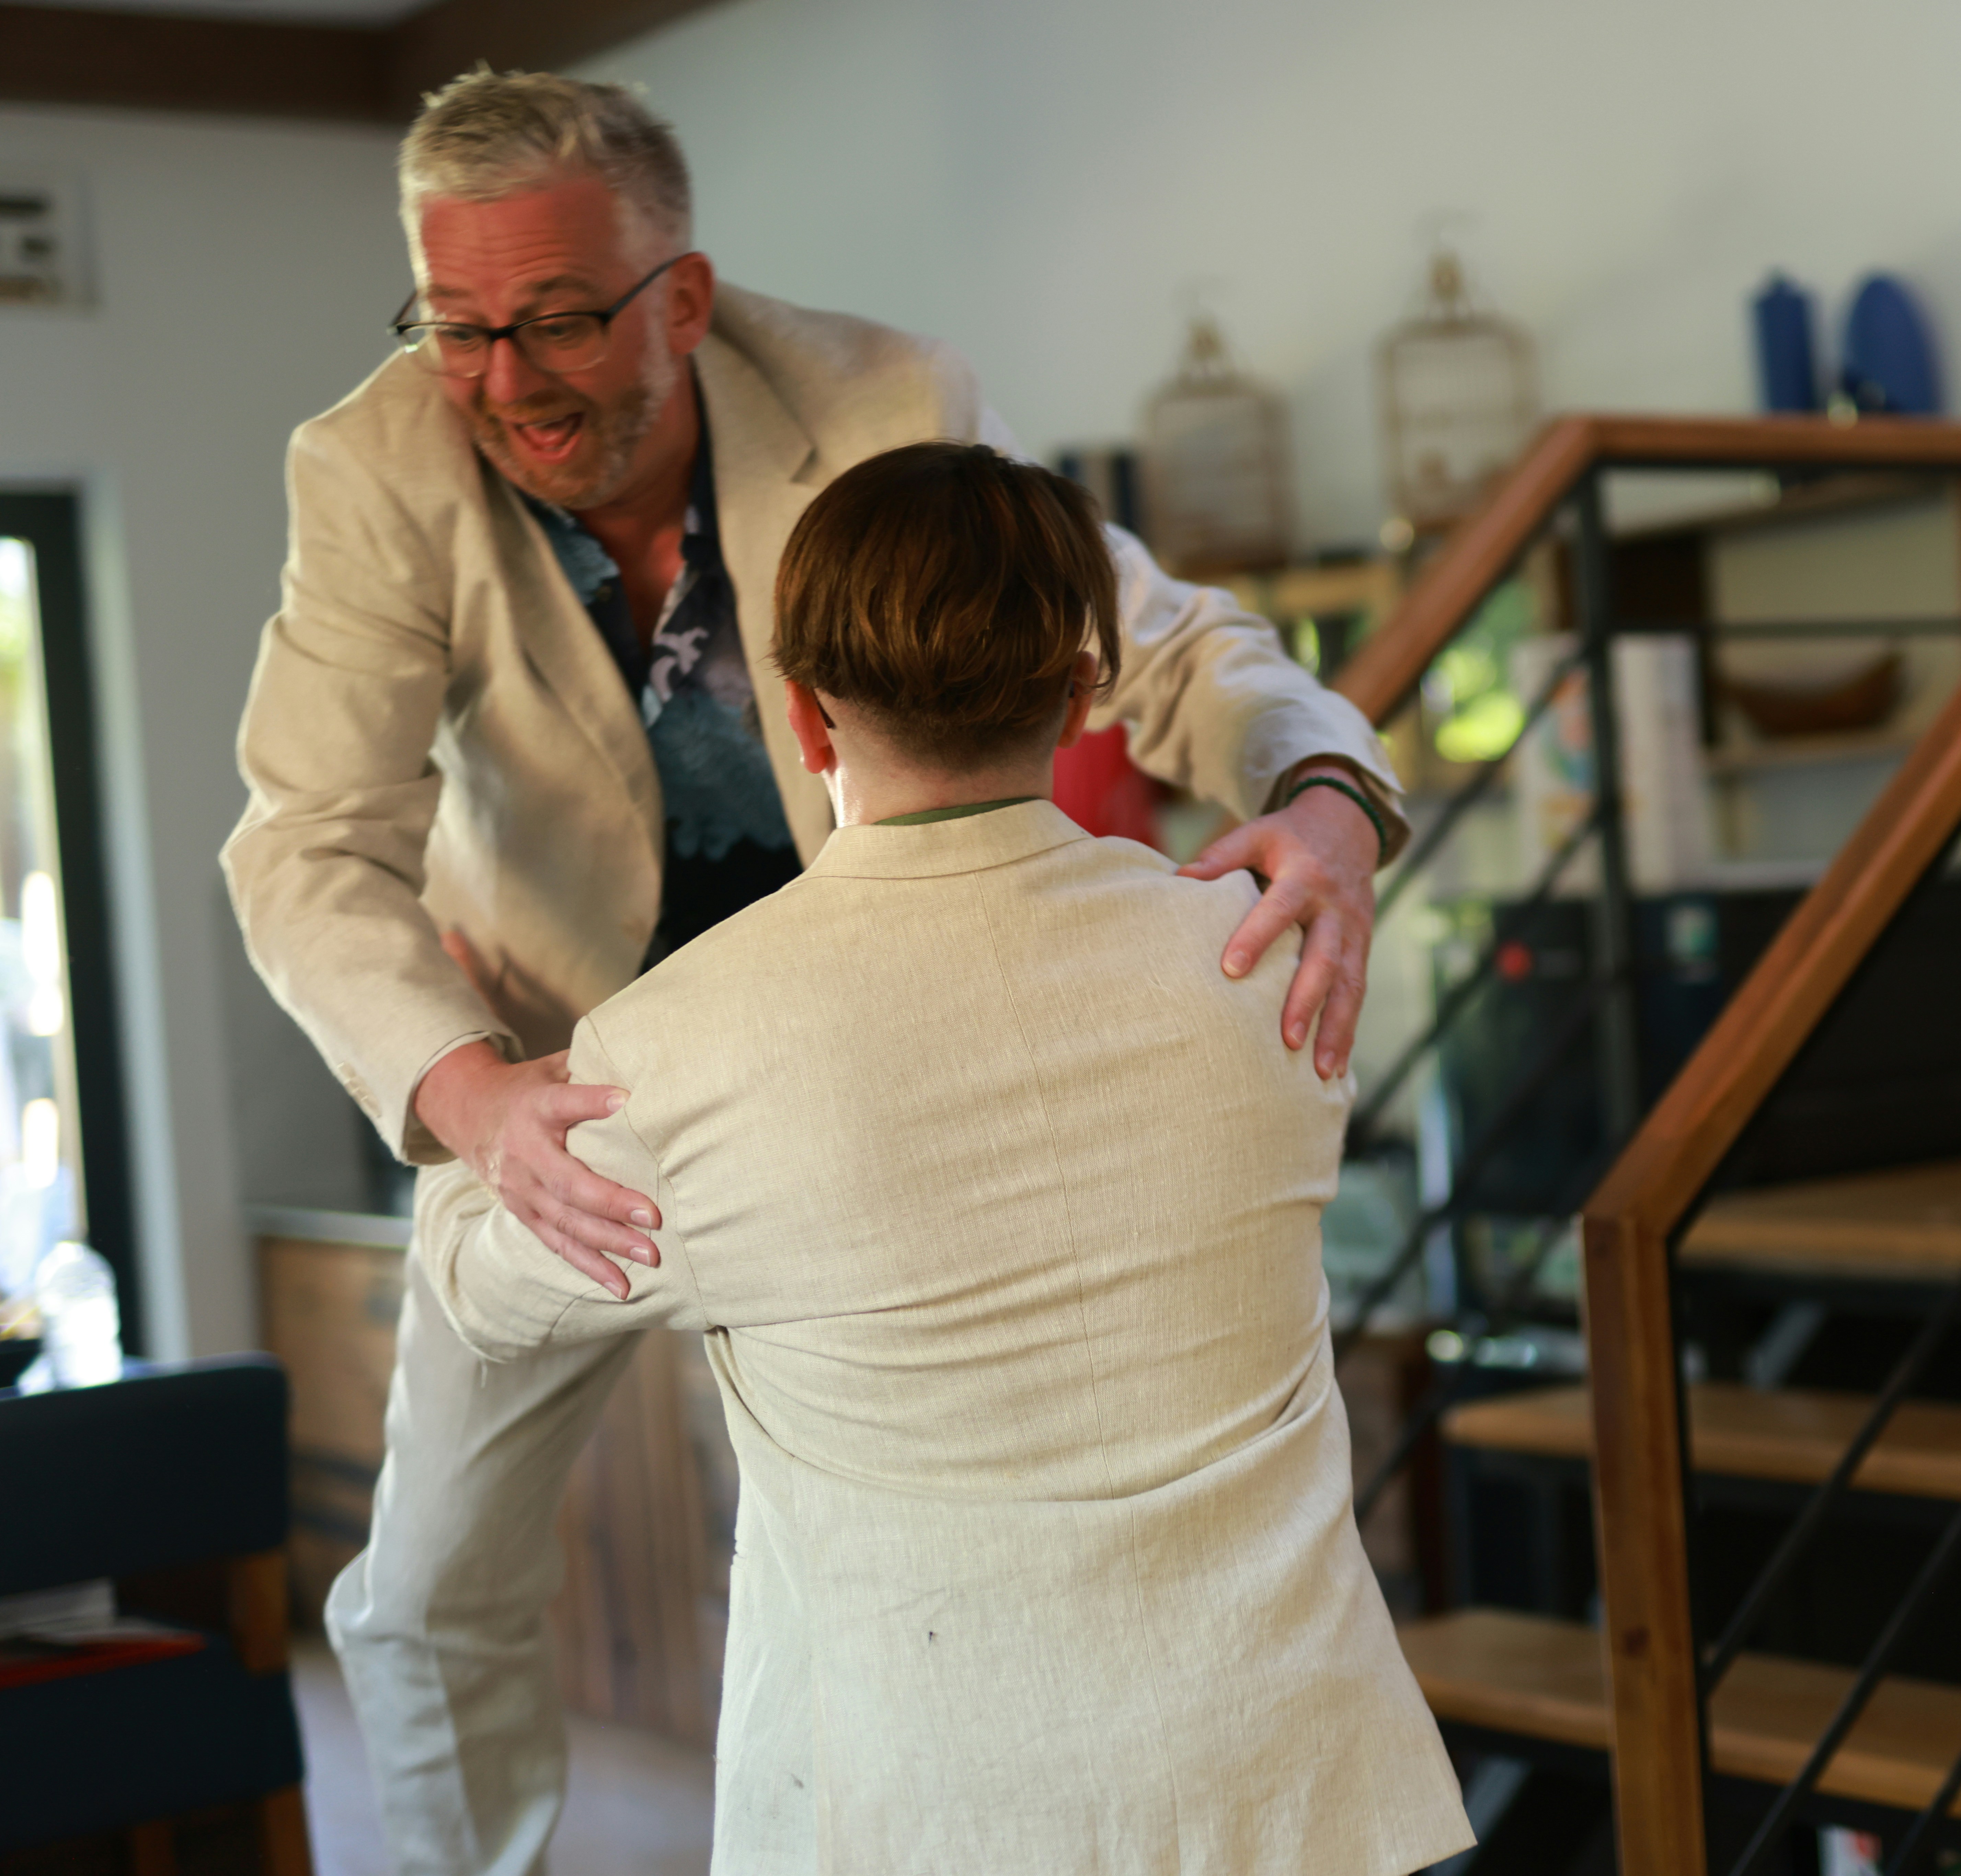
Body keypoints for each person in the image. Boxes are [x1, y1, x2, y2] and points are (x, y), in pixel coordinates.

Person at [222, 70, 1409, 1876]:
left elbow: (1159, 640)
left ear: (680, 300)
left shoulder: (884, 397)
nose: (508, 379)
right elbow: (308, 839)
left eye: (557, 318)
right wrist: (467, 1089)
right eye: (458, 326)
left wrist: (1324, 796)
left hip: (878, 1022)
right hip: (568, 1074)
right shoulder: (374, 465)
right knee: (428, 1575)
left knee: (920, 1530)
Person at [410, 440, 1468, 1875]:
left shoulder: (671, 1054)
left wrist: (482, 1076)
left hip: (922, 1821)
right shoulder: (1271, 967)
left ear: (801, 714)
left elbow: (483, 1286)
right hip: (1296, 1799)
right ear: (1082, 691)